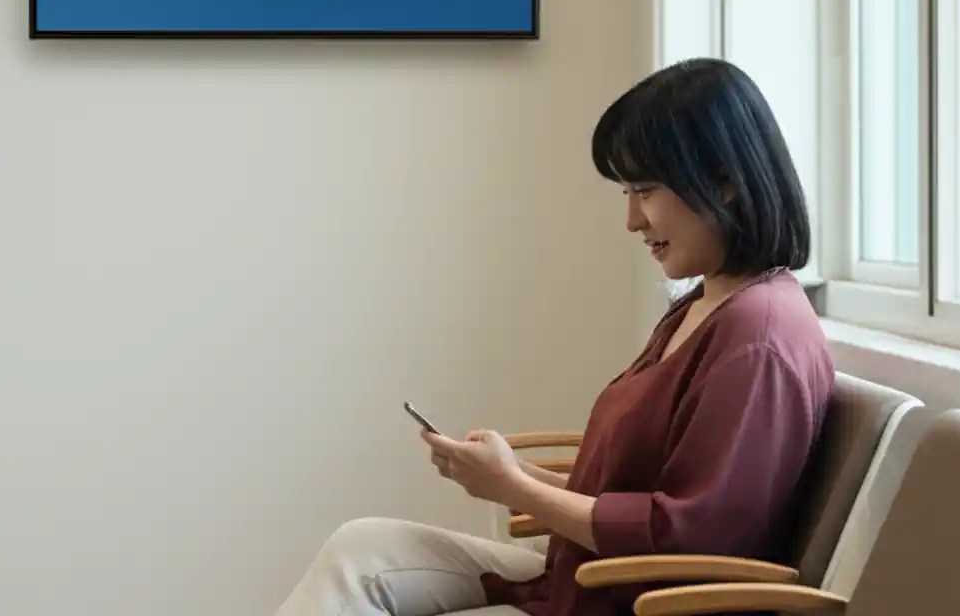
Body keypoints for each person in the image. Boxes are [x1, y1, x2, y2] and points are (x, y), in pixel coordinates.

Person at [274, 58, 836, 616]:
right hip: (580, 576)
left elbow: (688, 539)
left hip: (614, 597)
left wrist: (515, 488)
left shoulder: (757, 337)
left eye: (645, 190)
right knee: (362, 546)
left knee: (358, 568)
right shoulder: (709, 304)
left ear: (726, 185)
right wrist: (509, 477)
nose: (633, 221)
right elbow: (633, 496)